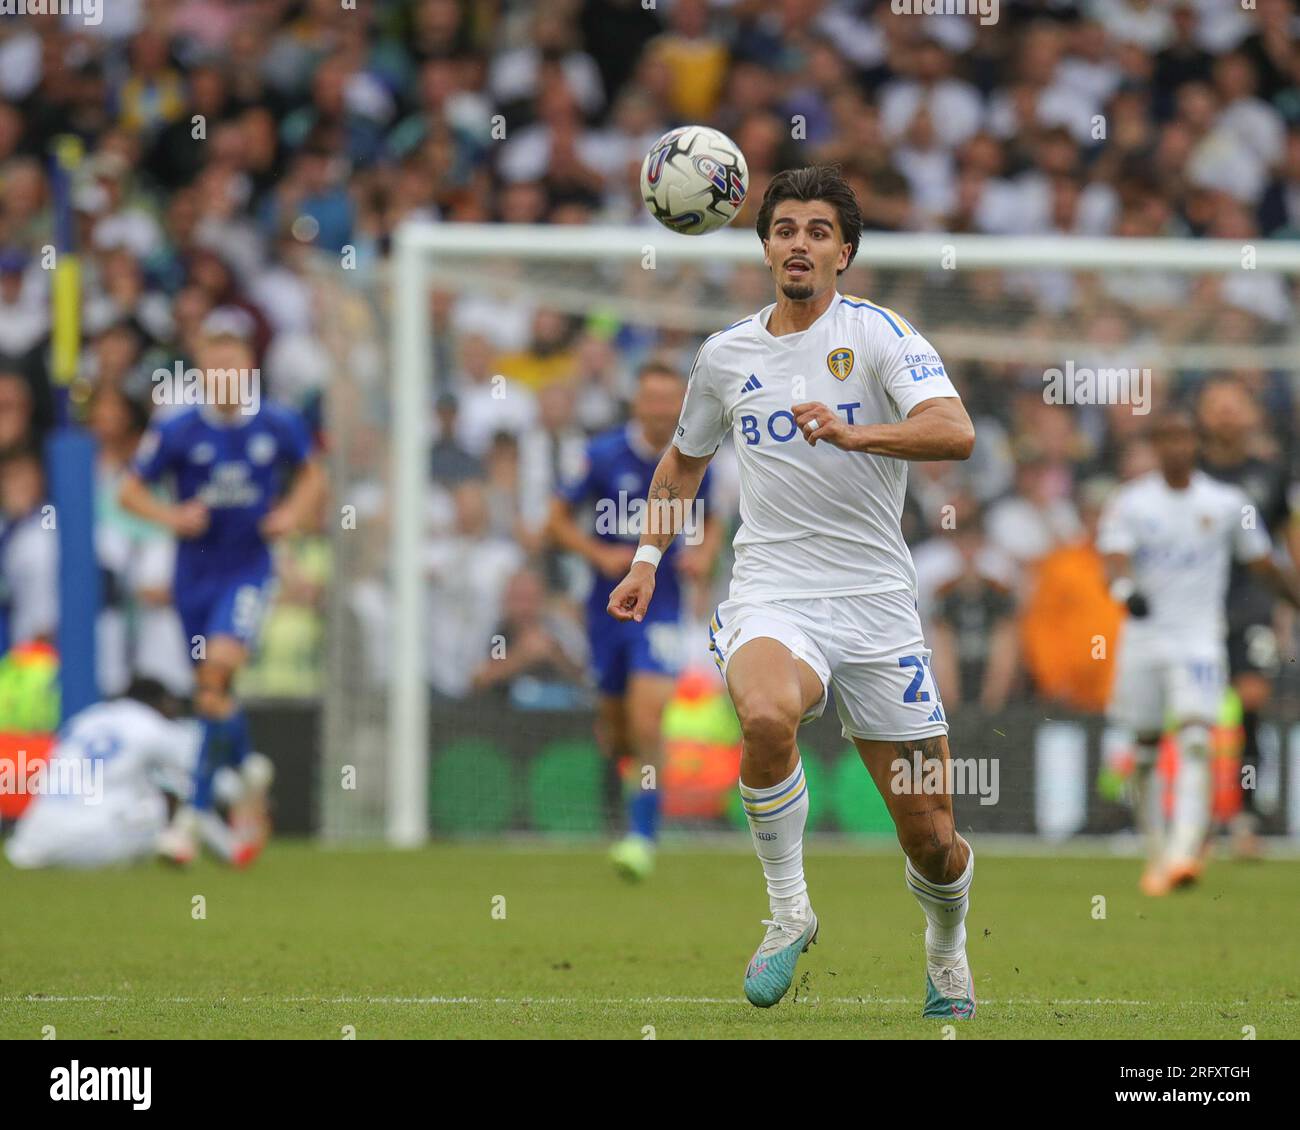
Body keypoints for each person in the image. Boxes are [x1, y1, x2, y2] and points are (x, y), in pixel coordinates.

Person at [607, 166, 979, 1017]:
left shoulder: (882, 336)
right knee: (767, 714)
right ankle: (788, 914)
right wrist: (646, 559)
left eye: (818, 231)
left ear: (844, 252)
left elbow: (952, 431)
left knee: (932, 839)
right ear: (766, 245)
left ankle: (947, 945)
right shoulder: (726, 354)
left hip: (878, 603)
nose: (800, 243)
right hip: (774, 588)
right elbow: (683, 461)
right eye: (785, 229)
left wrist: (858, 434)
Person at [118, 321, 325, 864]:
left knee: (216, 669)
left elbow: (313, 476)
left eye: (236, 368)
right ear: (203, 375)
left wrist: (292, 515)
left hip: (248, 570)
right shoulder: (179, 428)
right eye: (216, 369)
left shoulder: (277, 423)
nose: (227, 379)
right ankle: (249, 767)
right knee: (211, 696)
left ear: (249, 372)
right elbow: (129, 490)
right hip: (195, 576)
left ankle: (188, 821)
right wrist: (171, 515)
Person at [1097, 409, 1300, 896]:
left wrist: (1294, 597)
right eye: (1166, 438)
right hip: (1144, 638)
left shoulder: (1226, 502)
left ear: (1197, 444)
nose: (1176, 448)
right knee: (1144, 751)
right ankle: (1157, 850)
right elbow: (1112, 562)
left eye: (1184, 438)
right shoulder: (1131, 501)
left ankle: (1186, 852)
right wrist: (1126, 591)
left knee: (1195, 738)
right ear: (1155, 445)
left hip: (1199, 639)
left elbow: (1260, 562)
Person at [548, 362, 720, 879]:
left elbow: (712, 522)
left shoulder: (694, 458)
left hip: (662, 607)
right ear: (637, 403)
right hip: (606, 612)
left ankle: (642, 836)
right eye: (654, 399)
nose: (663, 409)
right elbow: (554, 521)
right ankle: (636, 797)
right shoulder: (601, 457)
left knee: (649, 721)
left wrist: (705, 555)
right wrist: (596, 553)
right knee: (618, 733)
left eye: (672, 400)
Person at [6, 678, 193, 869]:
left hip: (32, 840)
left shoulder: (87, 718)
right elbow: (191, 767)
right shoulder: (150, 724)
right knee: (159, 796)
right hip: (93, 841)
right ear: (158, 701)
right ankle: (173, 845)